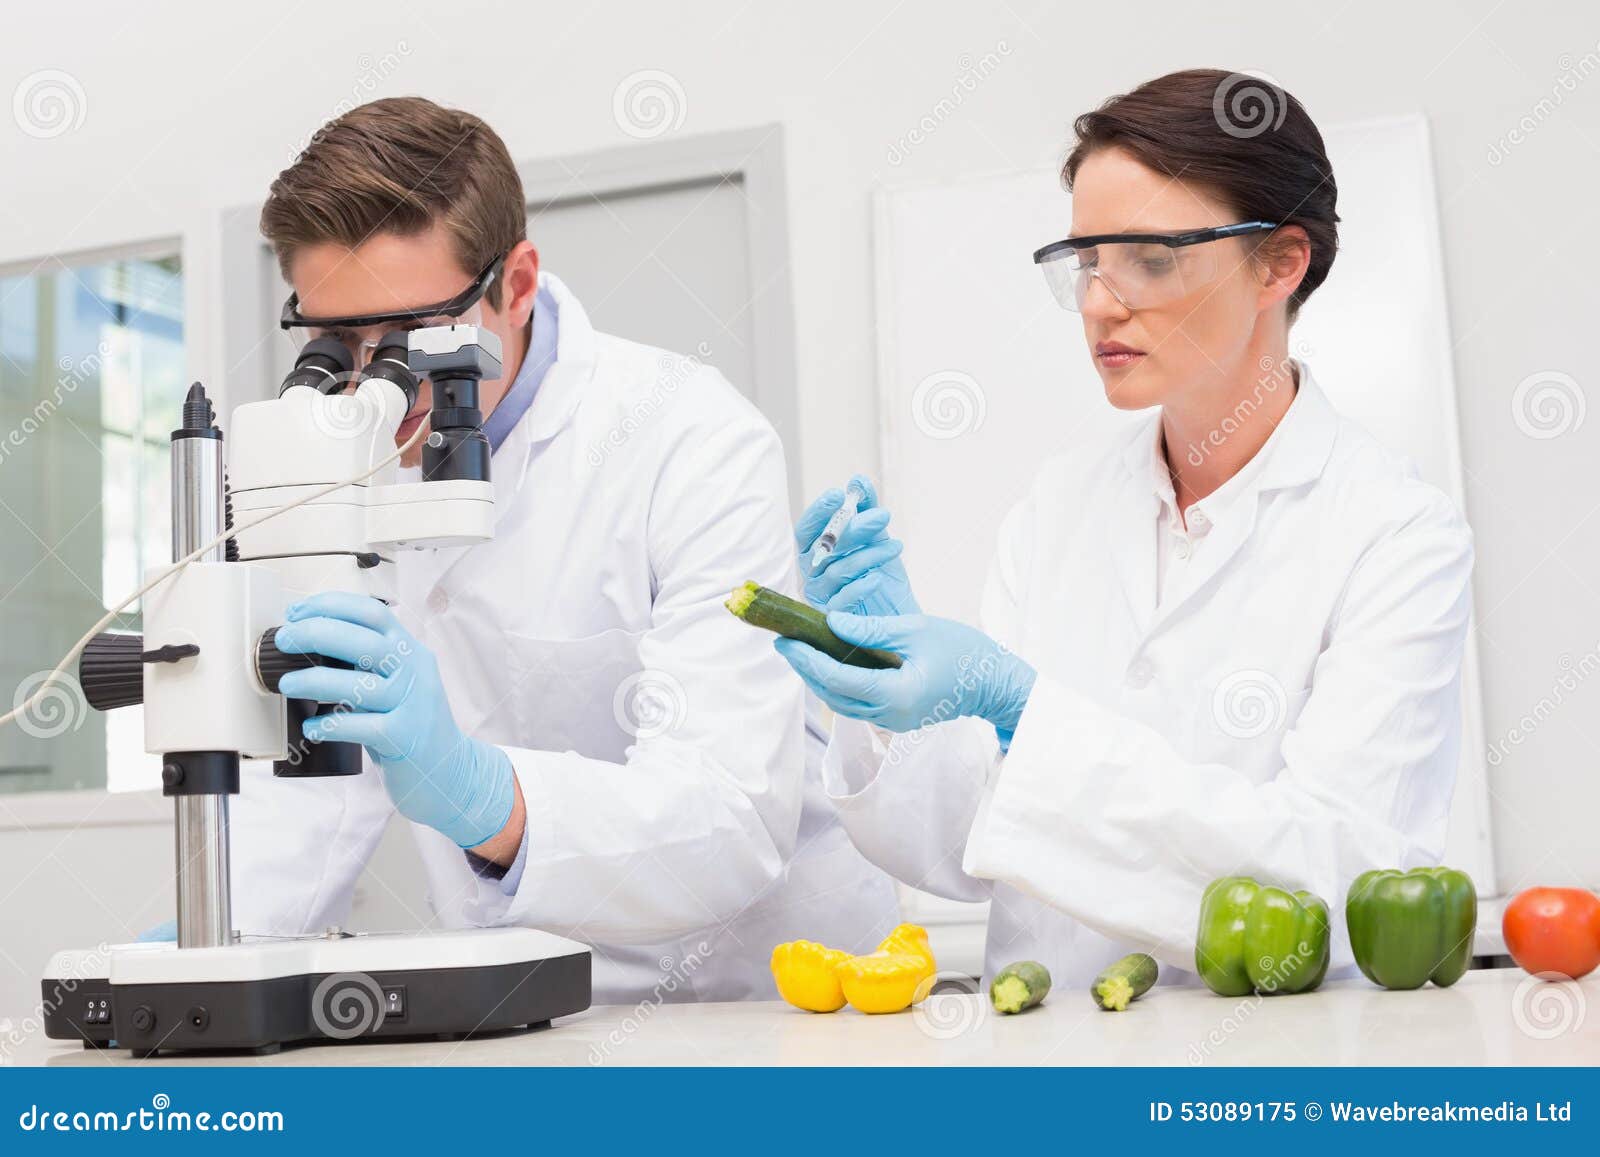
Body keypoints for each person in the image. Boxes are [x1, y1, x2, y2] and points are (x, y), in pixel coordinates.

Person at [775, 70, 1474, 988]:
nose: (1101, 303)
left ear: (1279, 263)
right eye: (1087, 262)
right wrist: (883, 698)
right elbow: (961, 847)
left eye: (1150, 258)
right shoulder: (1056, 506)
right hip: (1049, 1057)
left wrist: (1026, 710)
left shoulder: (1395, 534)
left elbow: (1333, 882)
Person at [215, 97, 897, 1002]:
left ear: (518, 283)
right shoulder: (331, 458)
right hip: (515, 1003)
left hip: (753, 1001)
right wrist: (213, 951)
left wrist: (478, 793)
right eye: (339, 342)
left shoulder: (690, 438)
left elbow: (729, 814)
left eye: (411, 338)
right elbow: (312, 779)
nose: (376, 383)